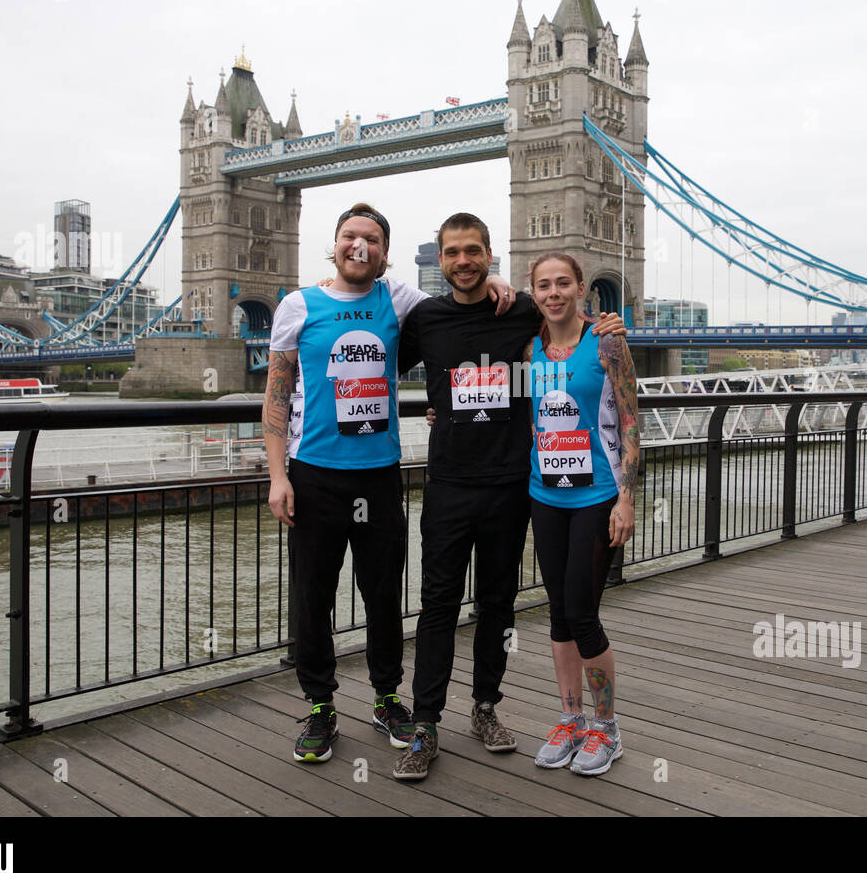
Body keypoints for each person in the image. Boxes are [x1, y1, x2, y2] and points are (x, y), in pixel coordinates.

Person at [263, 202, 515, 763]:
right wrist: (278, 475)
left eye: (372, 240)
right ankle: (321, 706)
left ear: (384, 252)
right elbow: (277, 395)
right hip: (313, 474)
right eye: (350, 237)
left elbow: (461, 303)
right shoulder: (297, 306)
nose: (360, 247)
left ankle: (385, 697)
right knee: (312, 597)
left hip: (377, 475)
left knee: (382, 595)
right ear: (334, 244)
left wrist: (496, 276)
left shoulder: (399, 301)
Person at [391, 215, 626, 781]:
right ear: (441, 260)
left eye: (474, 251)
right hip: (448, 484)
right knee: (438, 607)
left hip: (512, 486)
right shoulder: (424, 318)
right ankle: (425, 725)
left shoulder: (520, 308)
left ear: (490, 256)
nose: (463, 261)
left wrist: (608, 322)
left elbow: (567, 318)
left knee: (498, 606)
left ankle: (486, 709)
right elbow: (376, 370)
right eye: (453, 252)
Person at [525, 251, 639, 776]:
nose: (554, 293)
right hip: (545, 496)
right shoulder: (529, 347)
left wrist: (627, 498)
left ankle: (606, 727)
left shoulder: (608, 341)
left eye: (563, 283)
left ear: (580, 289)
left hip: (595, 495)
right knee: (558, 613)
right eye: (543, 285)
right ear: (534, 294)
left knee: (584, 615)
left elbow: (631, 423)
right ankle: (570, 718)